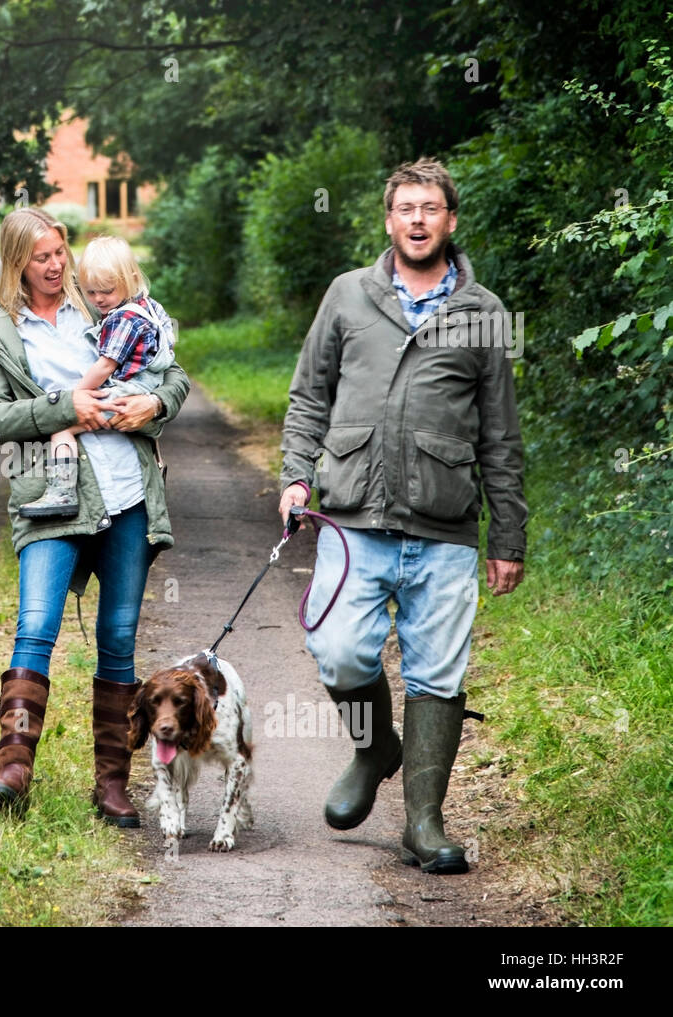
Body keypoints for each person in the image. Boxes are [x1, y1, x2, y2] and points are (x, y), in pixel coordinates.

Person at [278, 158, 527, 874]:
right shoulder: (347, 296)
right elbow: (307, 397)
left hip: (444, 522)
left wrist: (506, 534)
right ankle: (373, 746)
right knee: (338, 649)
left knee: (437, 672)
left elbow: (501, 436)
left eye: (431, 208)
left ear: (451, 220)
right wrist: (297, 476)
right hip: (353, 512)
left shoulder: (485, 312)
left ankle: (424, 821)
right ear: (388, 220)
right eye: (405, 208)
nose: (418, 219)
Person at [0, 207, 191, 826]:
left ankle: (112, 784)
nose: (56, 265)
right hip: (51, 496)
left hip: (125, 491)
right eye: (41, 257)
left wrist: (153, 402)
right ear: (16, 262)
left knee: (117, 637)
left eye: (59, 252)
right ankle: (13, 767)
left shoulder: (100, 298)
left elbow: (173, 377)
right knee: (35, 623)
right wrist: (67, 407)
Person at [20, 234, 177, 519]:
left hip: (123, 394)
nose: (98, 299)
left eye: (106, 290)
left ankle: (61, 492)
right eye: (91, 292)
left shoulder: (124, 319)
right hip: (139, 389)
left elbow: (105, 365)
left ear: (129, 278)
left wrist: (75, 397)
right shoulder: (150, 307)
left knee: (63, 429)